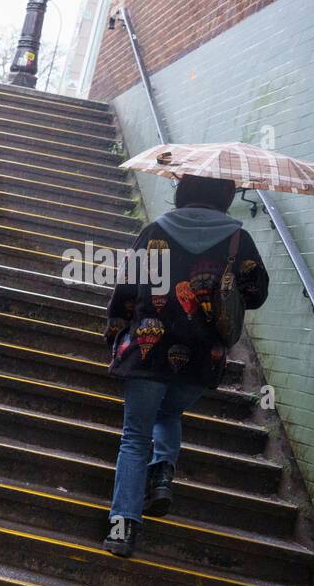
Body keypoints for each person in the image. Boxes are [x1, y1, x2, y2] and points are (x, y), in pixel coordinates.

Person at [102, 174, 269, 557]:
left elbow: (127, 291)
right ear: (226, 196)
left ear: (184, 190)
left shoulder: (155, 231)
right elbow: (256, 295)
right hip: (202, 356)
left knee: (134, 436)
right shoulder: (237, 240)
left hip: (149, 351)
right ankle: (161, 473)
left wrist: (116, 333)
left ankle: (122, 528)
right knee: (169, 413)